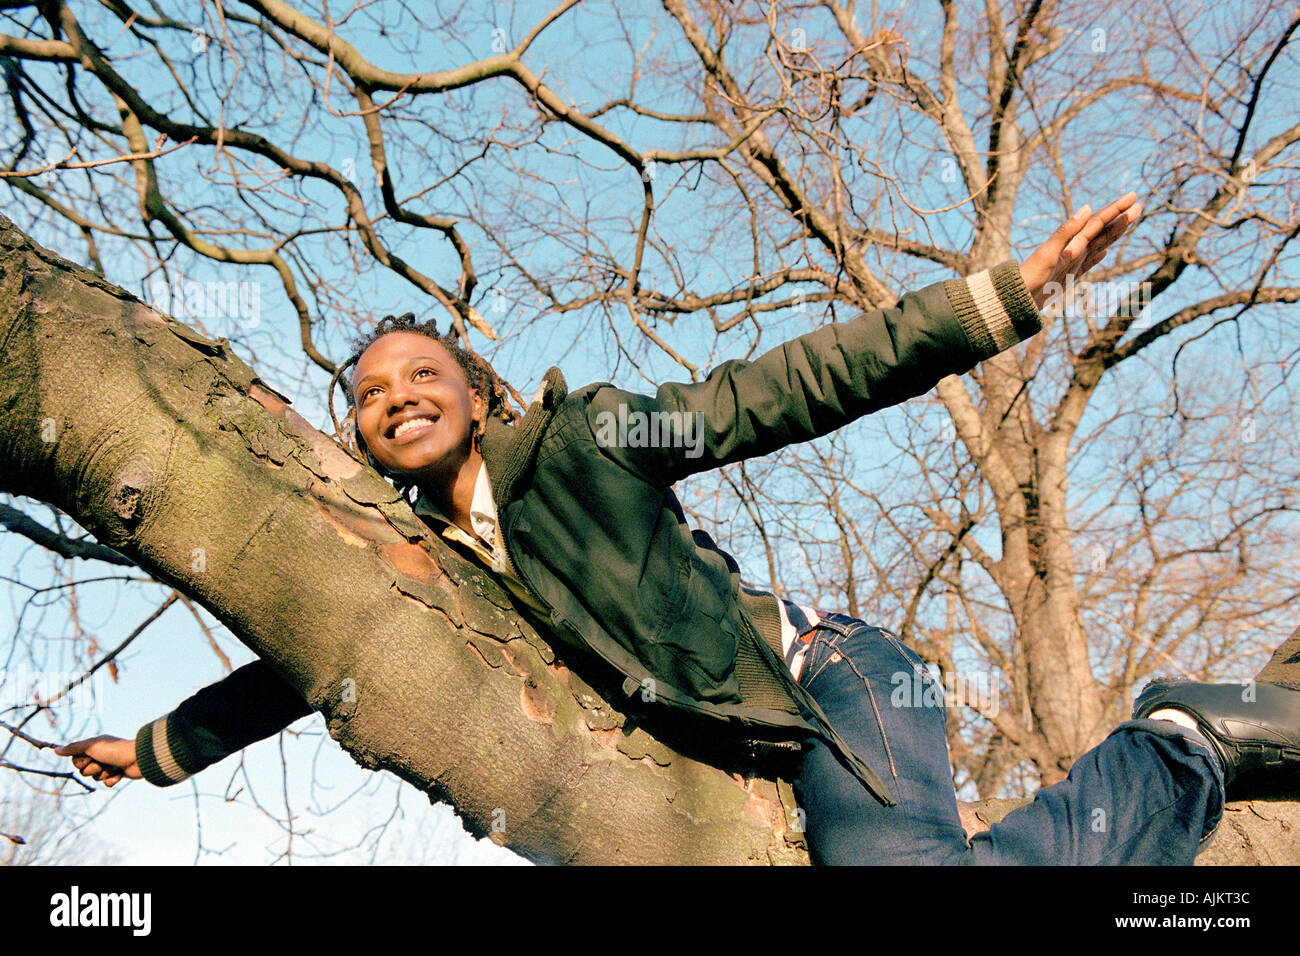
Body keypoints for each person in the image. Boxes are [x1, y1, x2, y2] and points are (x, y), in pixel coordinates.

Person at [57, 193, 1300, 864]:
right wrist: (160, 749)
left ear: (481, 391)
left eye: (420, 373)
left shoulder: (590, 443)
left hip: (840, 681)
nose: (397, 399)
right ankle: (1180, 749)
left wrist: (1000, 298)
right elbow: (303, 655)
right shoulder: (425, 568)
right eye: (371, 399)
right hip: (754, 755)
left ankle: (1179, 747)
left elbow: (786, 387)